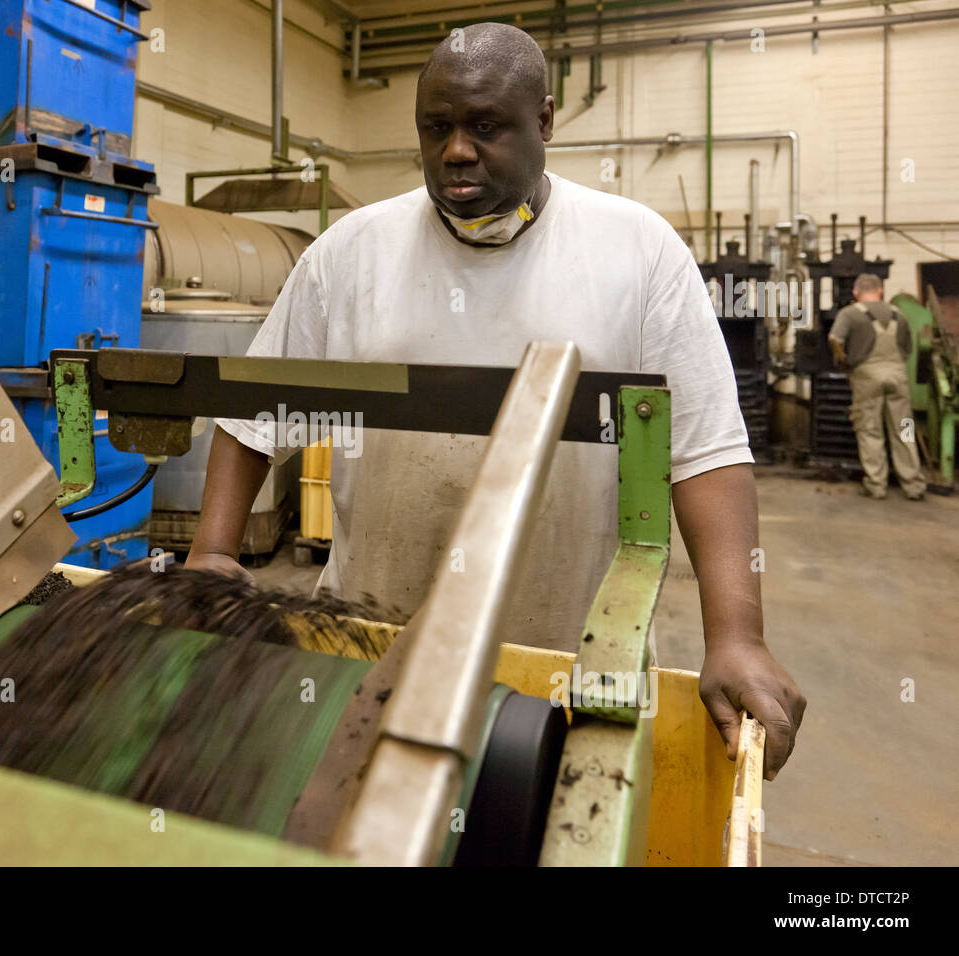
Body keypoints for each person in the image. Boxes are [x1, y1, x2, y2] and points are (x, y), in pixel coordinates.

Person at [187, 23, 805, 779]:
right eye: (436, 128)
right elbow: (256, 411)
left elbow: (705, 453)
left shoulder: (637, 253)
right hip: (368, 644)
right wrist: (214, 552)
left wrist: (736, 632)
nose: (455, 151)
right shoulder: (350, 255)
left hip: (569, 666)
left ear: (543, 121)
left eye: (485, 127)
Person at [828, 274, 927, 500]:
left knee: (870, 430)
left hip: (867, 378)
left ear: (855, 293)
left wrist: (845, 361)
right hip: (898, 378)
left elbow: (834, 339)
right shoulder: (899, 314)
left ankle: (876, 484)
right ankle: (914, 485)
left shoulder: (850, 313)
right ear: (881, 291)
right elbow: (907, 349)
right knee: (905, 429)